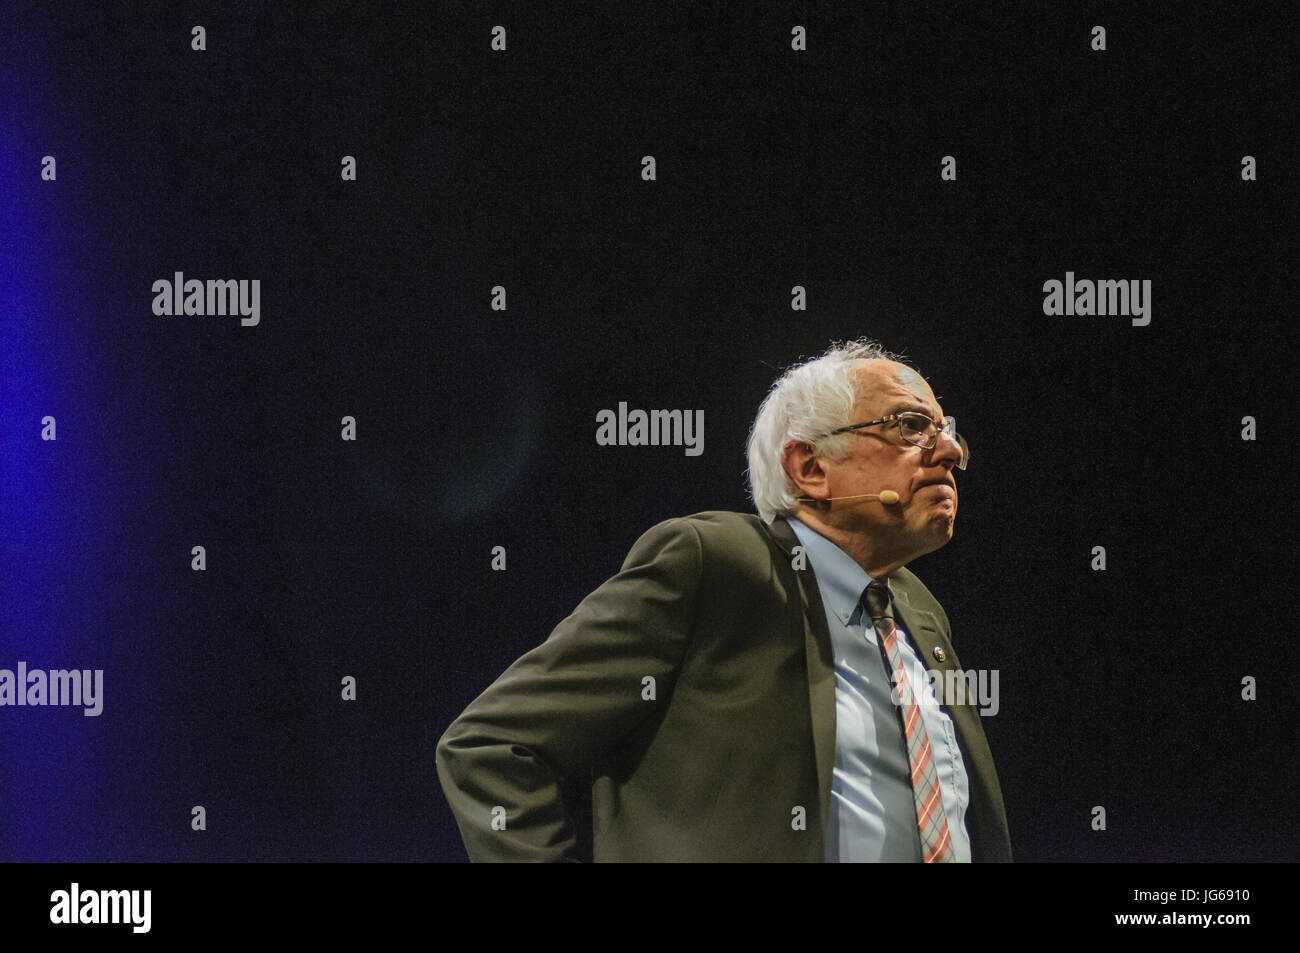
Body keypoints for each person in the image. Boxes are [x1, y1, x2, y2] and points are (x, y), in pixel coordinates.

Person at [436, 338, 1012, 862]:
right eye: (910, 426)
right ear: (810, 468)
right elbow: (489, 746)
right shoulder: (717, 563)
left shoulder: (918, 611)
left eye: (945, 429)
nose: (951, 451)